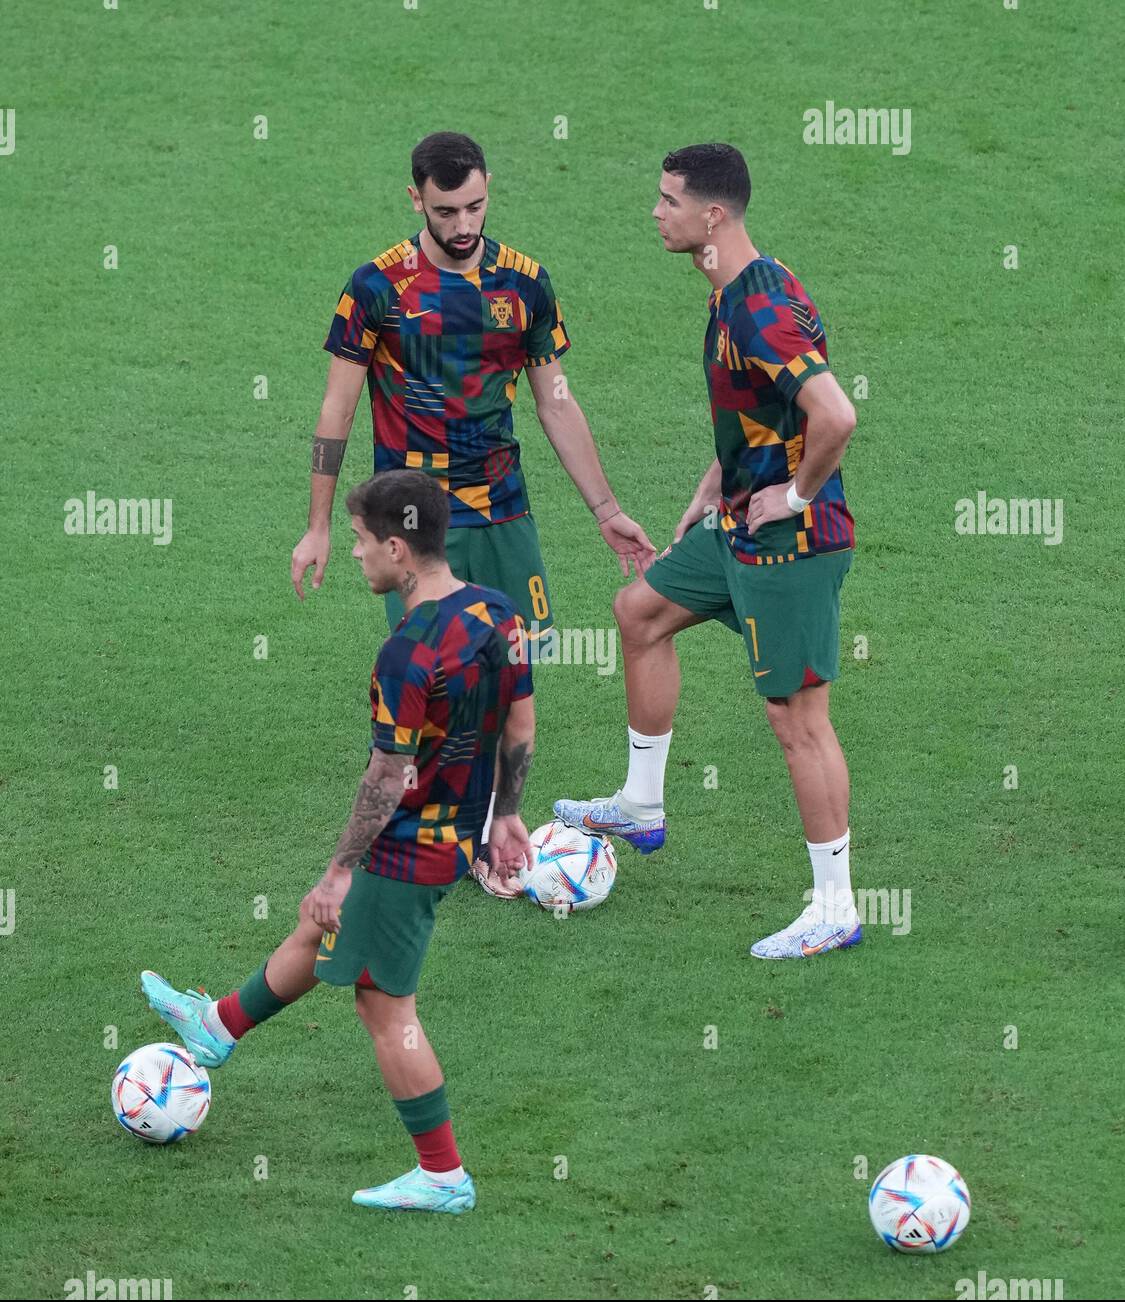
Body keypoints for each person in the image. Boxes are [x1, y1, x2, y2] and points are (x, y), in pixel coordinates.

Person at [144, 472, 536, 1212]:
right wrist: (505, 814)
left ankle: (443, 1176)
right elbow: (519, 725)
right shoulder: (497, 612)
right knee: (318, 932)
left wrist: (337, 870)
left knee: (383, 1007)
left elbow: (387, 778)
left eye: (359, 541)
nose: (353, 554)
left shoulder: (406, 652)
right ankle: (218, 1027)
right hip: (454, 834)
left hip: (409, 845)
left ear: (397, 546)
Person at [290, 130, 655, 898]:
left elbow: (555, 401)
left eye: (476, 206)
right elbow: (336, 406)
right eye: (446, 209)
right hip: (414, 523)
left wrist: (606, 508)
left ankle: (492, 821)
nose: (463, 225)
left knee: (509, 667)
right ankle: (425, 827)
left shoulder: (524, 284)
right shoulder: (376, 287)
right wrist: (321, 524)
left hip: (502, 508)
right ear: (415, 198)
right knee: (429, 679)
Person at [554, 144, 861, 961]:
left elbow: (834, 416)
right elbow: (762, 413)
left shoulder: (758, 308)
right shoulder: (737, 287)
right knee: (639, 611)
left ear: (712, 216)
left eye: (667, 201)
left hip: (789, 546)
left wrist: (792, 495)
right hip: (735, 526)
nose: (655, 212)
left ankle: (833, 905)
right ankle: (640, 803)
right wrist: (712, 483)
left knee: (796, 721)